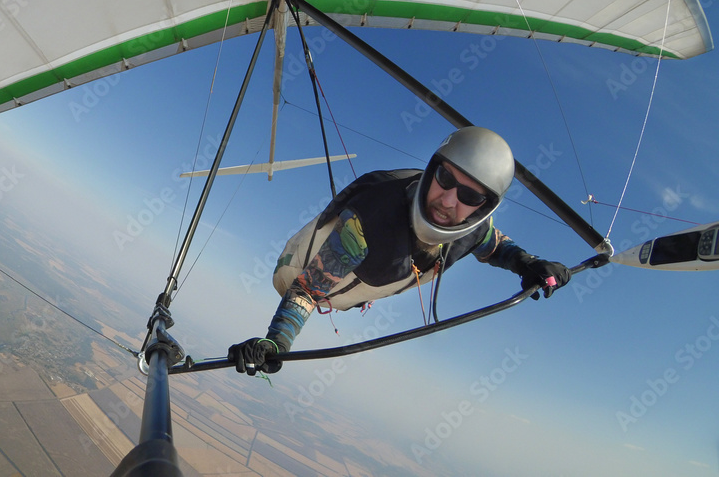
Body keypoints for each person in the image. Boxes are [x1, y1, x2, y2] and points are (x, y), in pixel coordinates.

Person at [228, 126, 571, 375]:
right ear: (433, 167)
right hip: (313, 274)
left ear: (483, 208)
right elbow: (308, 288)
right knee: (313, 279)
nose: (449, 200)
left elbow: (494, 245)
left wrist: (529, 264)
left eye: (470, 197)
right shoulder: (370, 220)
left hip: (371, 281)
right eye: (446, 179)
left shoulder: (473, 229)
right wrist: (276, 343)